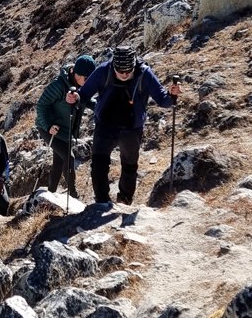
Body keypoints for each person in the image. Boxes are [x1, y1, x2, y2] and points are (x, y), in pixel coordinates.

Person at [66, 45, 181, 204]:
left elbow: (163, 100)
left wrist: (172, 95)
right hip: (105, 126)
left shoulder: (144, 74)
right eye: (121, 72)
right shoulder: (103, 71)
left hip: (132, 129)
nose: (125, 74)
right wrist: (74, 98)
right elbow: (83, 95)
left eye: (129, 71)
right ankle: (101, 201)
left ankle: (125, 201)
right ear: (114, 66)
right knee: (98, 166)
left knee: (129, 166)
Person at [36, 54, 97, 196]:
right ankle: (73, 194)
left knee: (58, 162)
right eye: (87, 79)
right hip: (50, 129)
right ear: (77, 74)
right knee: (69, 158)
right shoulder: (58, 85)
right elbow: (41, 105)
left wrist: (102, 107)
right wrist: (48, 126)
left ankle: (50, 193)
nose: (89, 82)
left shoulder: (81, 86)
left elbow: (87, 101)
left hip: (65, 131)